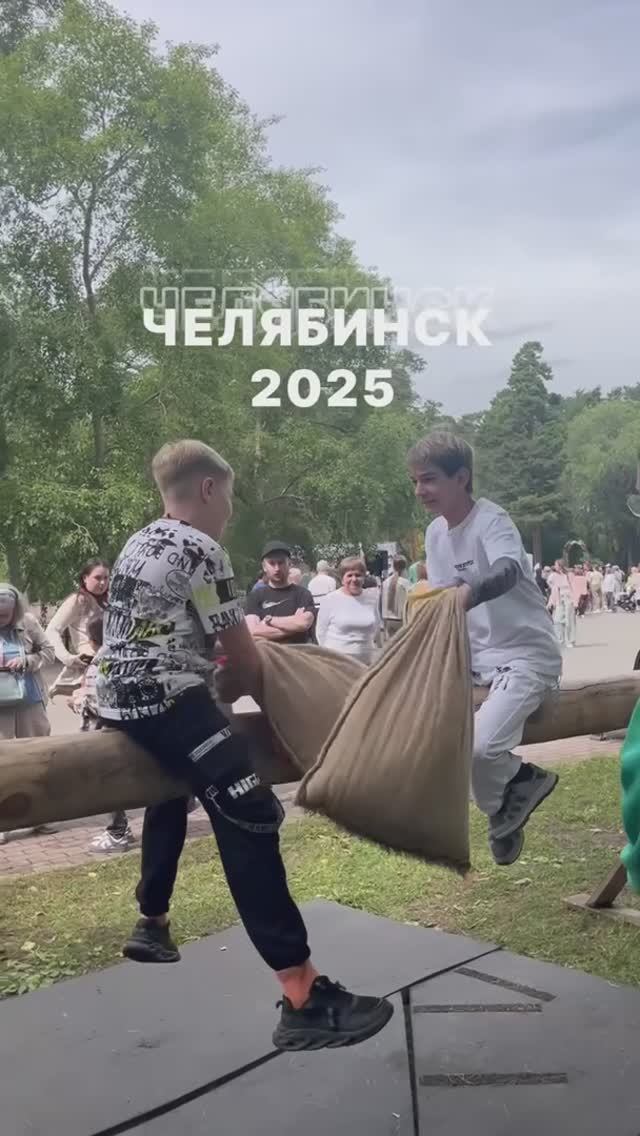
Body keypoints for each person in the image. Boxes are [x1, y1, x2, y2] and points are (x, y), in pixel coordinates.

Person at [94, 440, 392, 1050]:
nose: (228, 512)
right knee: (250, 810)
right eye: (228, 499)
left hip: (118, 698)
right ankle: (303, 994)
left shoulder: (139, 540)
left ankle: (152, 918)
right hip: (168, 698)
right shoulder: (202, 550)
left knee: (177, 784)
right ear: (208, 489)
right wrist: (290, 709)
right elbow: (246, 657)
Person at [408, 431, 562, 867]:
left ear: (462, 478)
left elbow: (508, 570)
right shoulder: (435, 534)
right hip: (477, 666)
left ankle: (518, 787)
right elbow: (444, 607)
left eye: (429, 479)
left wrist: (467, 592)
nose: (420, 490)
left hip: (526, 658)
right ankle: (509, 802)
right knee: (441, 745)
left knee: (477, 749)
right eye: (415, 481)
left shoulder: (492, 521)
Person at [68, 614, 136, 854]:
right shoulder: (124, 655)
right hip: (121, 731)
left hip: (103, 734)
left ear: (92, 640)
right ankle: (121, 828)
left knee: (107, 782)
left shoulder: (101, 663)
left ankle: (117, 832)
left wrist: (77, 701)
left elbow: (99, 703)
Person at [0, 585, 56, 845]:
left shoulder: (29, 622)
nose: (2, 619)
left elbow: (49, 652)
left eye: (6, 614)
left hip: (30, 702)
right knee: (4, 764)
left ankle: (40, 816)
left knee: (38, 758)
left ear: (16, 610)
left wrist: (27, 661)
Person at [47, 559, 110, 696]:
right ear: (85, 578)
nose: (103, 582)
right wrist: (68, 658)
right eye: (98, 578)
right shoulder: (78, 600)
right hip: (89, 667)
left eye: (106, 578)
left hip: (111, 664)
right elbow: (51, 631)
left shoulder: (110, 601)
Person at [244, 542, 317, 645]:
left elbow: (303, 623)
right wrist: (293, 627)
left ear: (289, 564)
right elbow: (253, 631)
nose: (277, 568)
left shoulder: (303, 594)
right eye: (272, 563)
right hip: (267, 652)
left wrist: (269, 621)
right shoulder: (255, 596)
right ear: (264, 567)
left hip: (297, 652)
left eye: (281, 563)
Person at [315, 557, 382, 664]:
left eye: (358, 575)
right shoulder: (330, 600)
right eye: (349, 575)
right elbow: (320, 631)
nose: (354, 579)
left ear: (364, 577)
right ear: (342, 579)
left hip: (365, 661)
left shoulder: (372, 598)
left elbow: (376, 625)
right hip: (337, 661)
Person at [547, 560, 576, 647]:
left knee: (569, 620)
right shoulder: (553, 576)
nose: (555, 566)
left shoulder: (568, 575)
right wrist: (550, 602)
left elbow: (573, 588)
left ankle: (570, 640)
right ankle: (560, 639)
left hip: (568, 598)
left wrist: (575, 600)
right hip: (559, 599)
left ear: (560, 566)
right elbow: (553, 590)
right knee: (557, 620)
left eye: (556, 565)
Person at [380, 556, 410, 639]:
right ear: (404, 567)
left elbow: (381, 602)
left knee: (391, 643)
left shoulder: (385, 582)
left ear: (393, 566)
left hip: (387, 618)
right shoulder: (405, 583)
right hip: (401, 619)